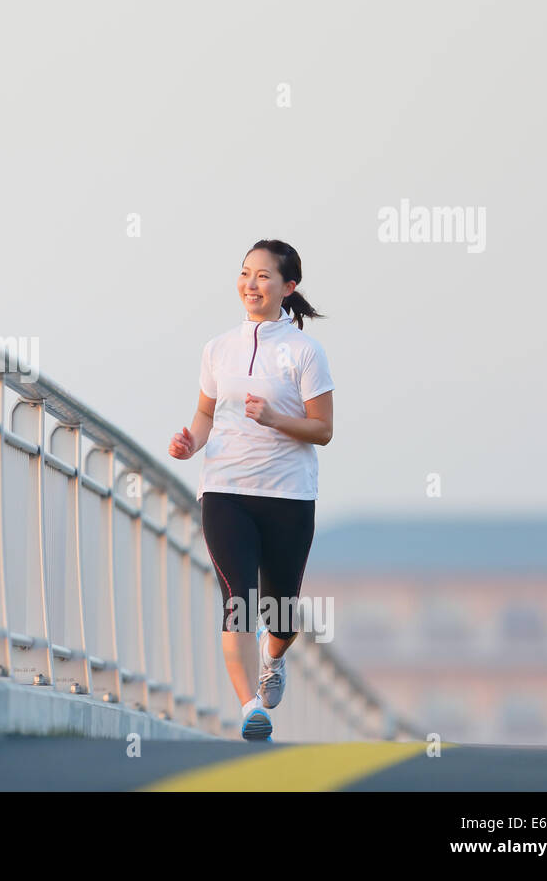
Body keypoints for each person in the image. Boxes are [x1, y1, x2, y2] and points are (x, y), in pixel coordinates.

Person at [167, 240, 334, 742]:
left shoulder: (306, 351)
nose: (251, 284)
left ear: (288, 287)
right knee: (238, 599)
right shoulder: (217, 348)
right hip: (225, 491)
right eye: (245, 274)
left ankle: (272, 655)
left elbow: (322, 429)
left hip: (287, 495)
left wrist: (276, 419)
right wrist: (189, 441)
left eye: (263, 276)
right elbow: (204, 413)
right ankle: (249, 708)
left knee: (282, 614)